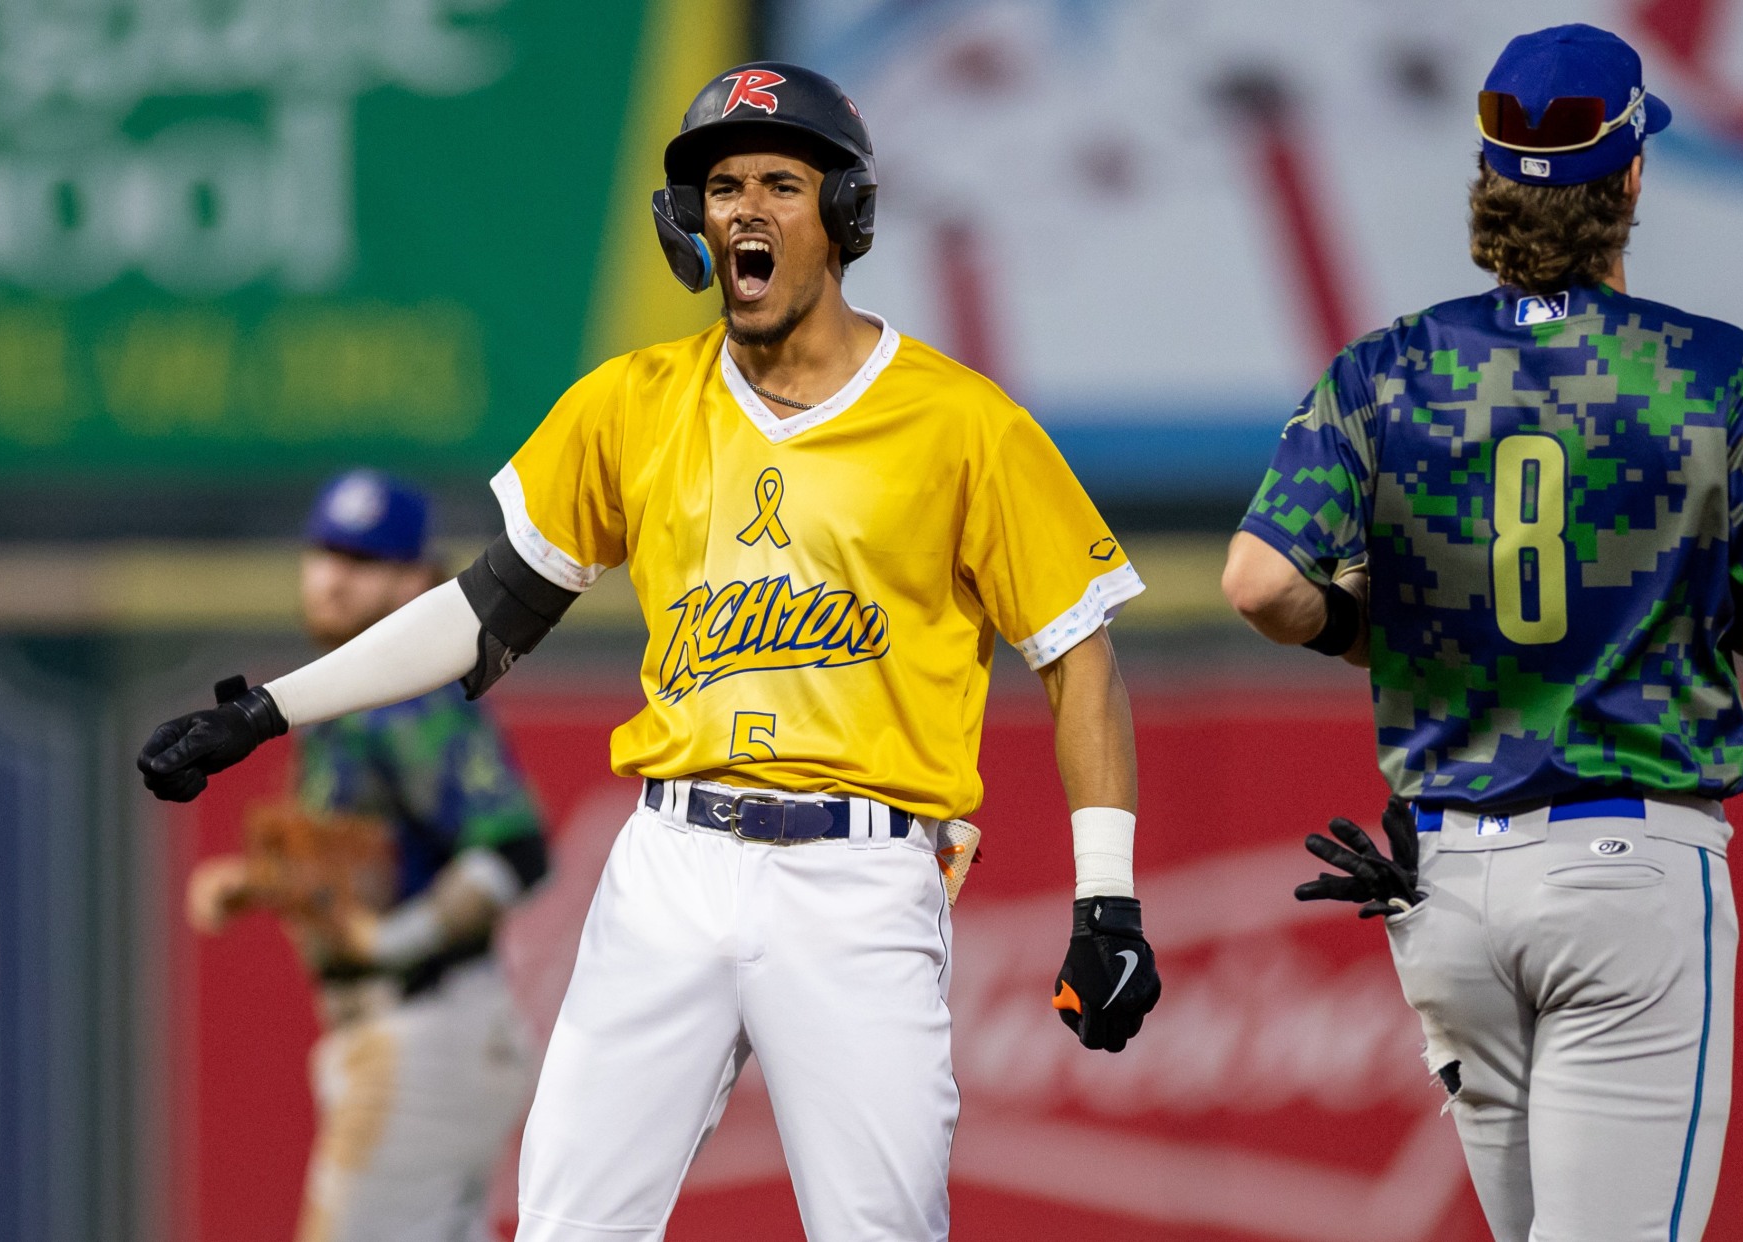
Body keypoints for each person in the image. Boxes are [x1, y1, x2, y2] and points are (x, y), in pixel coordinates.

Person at [139, 62, 1160, 1242]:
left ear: (846, 214)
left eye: (781, 183)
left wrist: (1108, 900)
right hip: (671, 864)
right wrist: (267, 709)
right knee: (568, 1227)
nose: (746, 209)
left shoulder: (965, 423)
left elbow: (1079, 660)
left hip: (860, 879)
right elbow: (485, 608)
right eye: (723, 187)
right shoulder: (635, 402)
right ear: (691, 221)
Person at [1220, 25, 1743, 1242]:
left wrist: (1363, 623)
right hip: (1626, 872)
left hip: (1446, 886)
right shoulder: (1710, 371)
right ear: (1631, 174)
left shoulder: (1388, 369)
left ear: (1490, 174)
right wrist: (1673, 606)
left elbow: (1258, 585)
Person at [185, 469, 550, 1242]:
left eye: (365, 560)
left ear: (420, 579)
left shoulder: (407, 699)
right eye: (325, 552)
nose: (333, 577)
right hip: (423, 1036)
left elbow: (515, 849)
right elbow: (370, 868)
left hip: (422, 1028)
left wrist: (390, 942)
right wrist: (258, 884)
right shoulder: (348, 704)